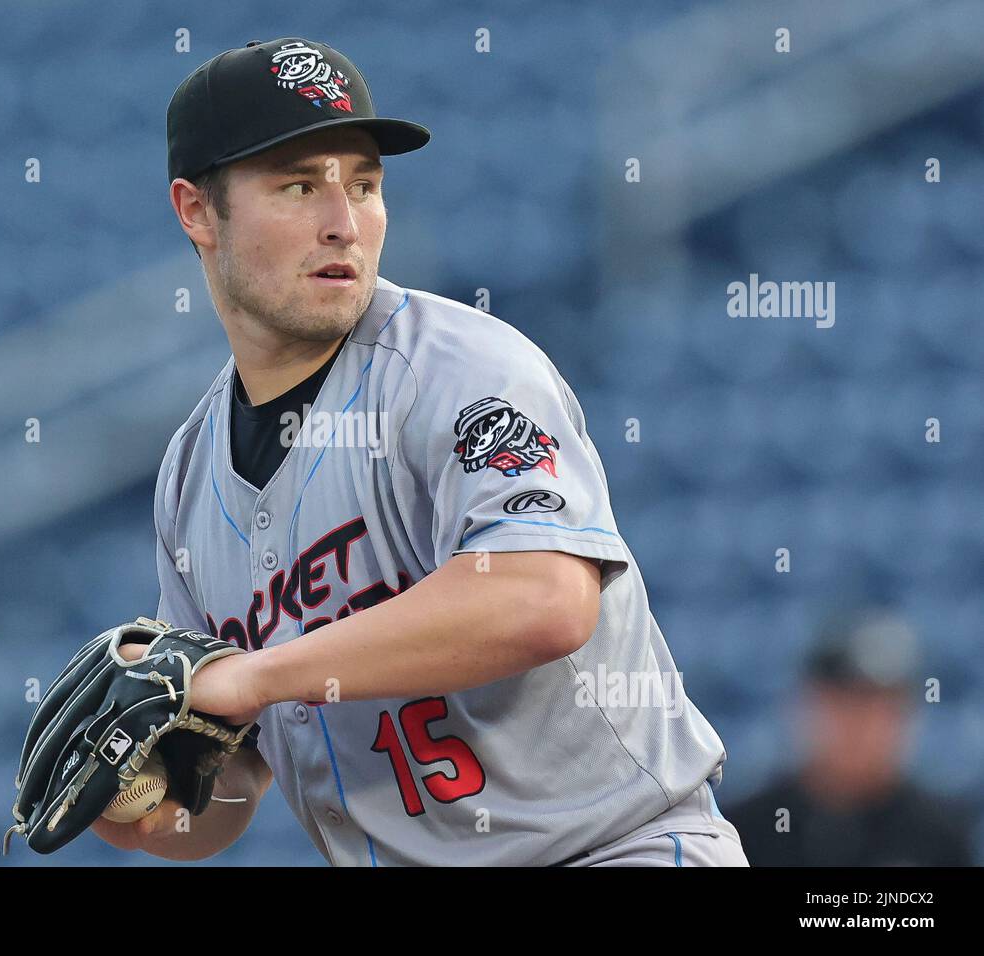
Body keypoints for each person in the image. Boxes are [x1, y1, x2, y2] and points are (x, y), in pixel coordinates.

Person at [92, 36, 747, 866]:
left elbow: (544, 599)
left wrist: (256, 676)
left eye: (363, 185)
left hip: (611, 850)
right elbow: (233, 781)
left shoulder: (459, 369)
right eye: (299, 186)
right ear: (196, 210)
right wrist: (154, 811)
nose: (343, 223)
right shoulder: (189, 475)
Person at [727, 609, 972, 866]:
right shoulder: (745, 831)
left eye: (876, 707)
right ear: (805, 705)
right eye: (843, 704)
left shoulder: (941, 834)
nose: (859, 725)